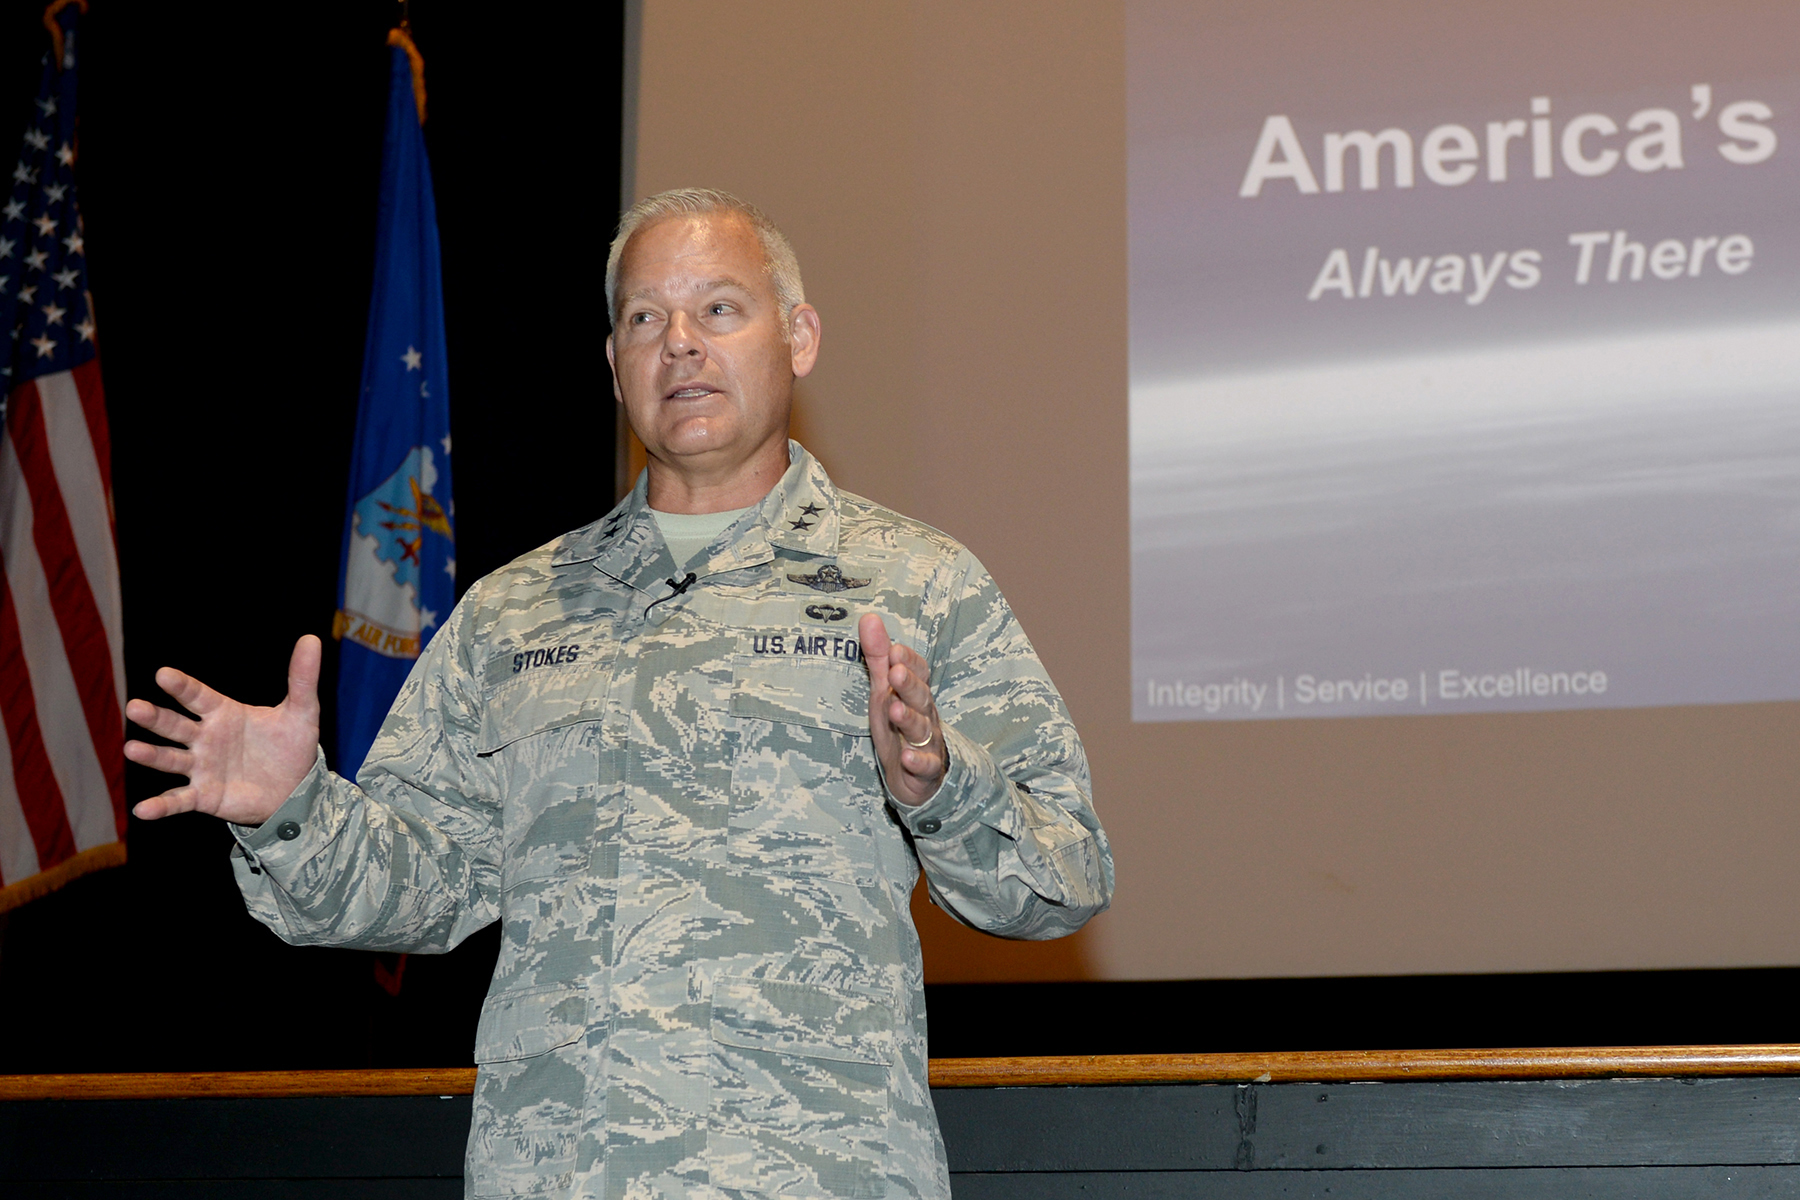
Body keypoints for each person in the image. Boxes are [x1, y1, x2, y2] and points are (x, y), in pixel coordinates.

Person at [126, 188, 1112, 1199]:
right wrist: (294, 809)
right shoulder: (514, 615)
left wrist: (941, 787)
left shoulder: (918, 586)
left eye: (720, 310)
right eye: (646, 319)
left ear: (800, 337)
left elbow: (1065, 878)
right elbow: (421, 886)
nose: (680, 344)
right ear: (614, 366)